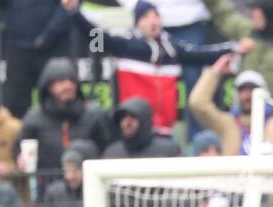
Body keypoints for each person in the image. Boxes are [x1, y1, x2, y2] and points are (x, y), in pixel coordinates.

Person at [61, 0, 244, 137]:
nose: (153, 21)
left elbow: (200, 54)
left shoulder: (172, 47)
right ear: (137, 23)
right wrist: (74, 12)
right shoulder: (125, 45)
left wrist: (235, 48)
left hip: (165, 131)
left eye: (156, 16)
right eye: (146, 17)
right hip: (133, 130)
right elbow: (94, 37)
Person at [16, 59, 113, 194]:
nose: (68, 86)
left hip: (89, 189)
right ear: (48, 86)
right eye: (60, 81)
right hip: (47, 191)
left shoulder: (94, 115)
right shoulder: (34, 118)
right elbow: (18, 150)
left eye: (71, 81)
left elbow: (108, 149)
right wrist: (20, 160)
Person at [189, 59, 273, 155]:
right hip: (232, 180)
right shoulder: (225, 123)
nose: (247, 95)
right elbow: (197, 103)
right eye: (242, 90)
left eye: (252, 89)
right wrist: (215, 72)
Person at [0, 0, 76, 120]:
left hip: (53, 47)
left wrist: (49, 35)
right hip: (18, 45)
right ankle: (21, 135)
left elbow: (67, 7)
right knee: (15, 100)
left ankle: (59, 134)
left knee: (56, 97)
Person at [102, 96, 184, 159]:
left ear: (145, 121)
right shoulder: (112, 153)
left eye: (133, 117)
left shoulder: (169, 151)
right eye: (123, 117)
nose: (127, 123)